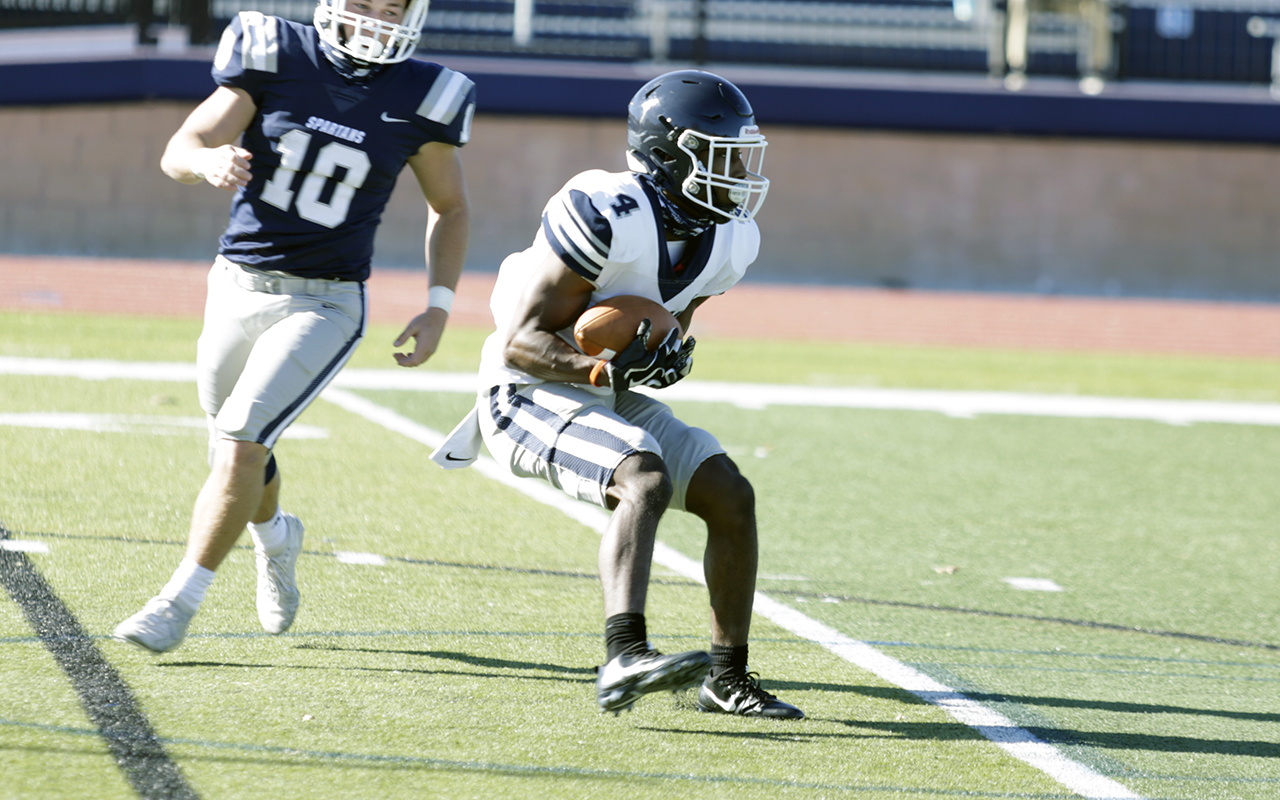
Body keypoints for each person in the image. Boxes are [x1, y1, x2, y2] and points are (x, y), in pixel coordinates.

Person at [430, 70, 803, 719]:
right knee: (644, 476)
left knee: (729, 492)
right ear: (668, 154)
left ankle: (727, 676)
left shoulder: (731, 238)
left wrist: (664, 361)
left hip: (599, 392)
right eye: (720, 154)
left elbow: (672, 325)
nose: (739, 170)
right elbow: (521, 341)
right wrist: (608, 373)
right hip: (521, 392)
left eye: (740, 154)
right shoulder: (607, 212)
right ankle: (623, 653)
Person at [114, 0, 474, 652]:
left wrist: (439, 303)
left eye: (391, 9)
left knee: (242, 443)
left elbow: (449, 206)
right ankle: (277, 537)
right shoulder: (274, 53)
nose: (375, 20)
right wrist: (207, 162)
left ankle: (176, 604)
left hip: (326, 304)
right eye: (364, 4)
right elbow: (181, 147)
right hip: (235, 285)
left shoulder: (428, 94)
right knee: (233, 444)